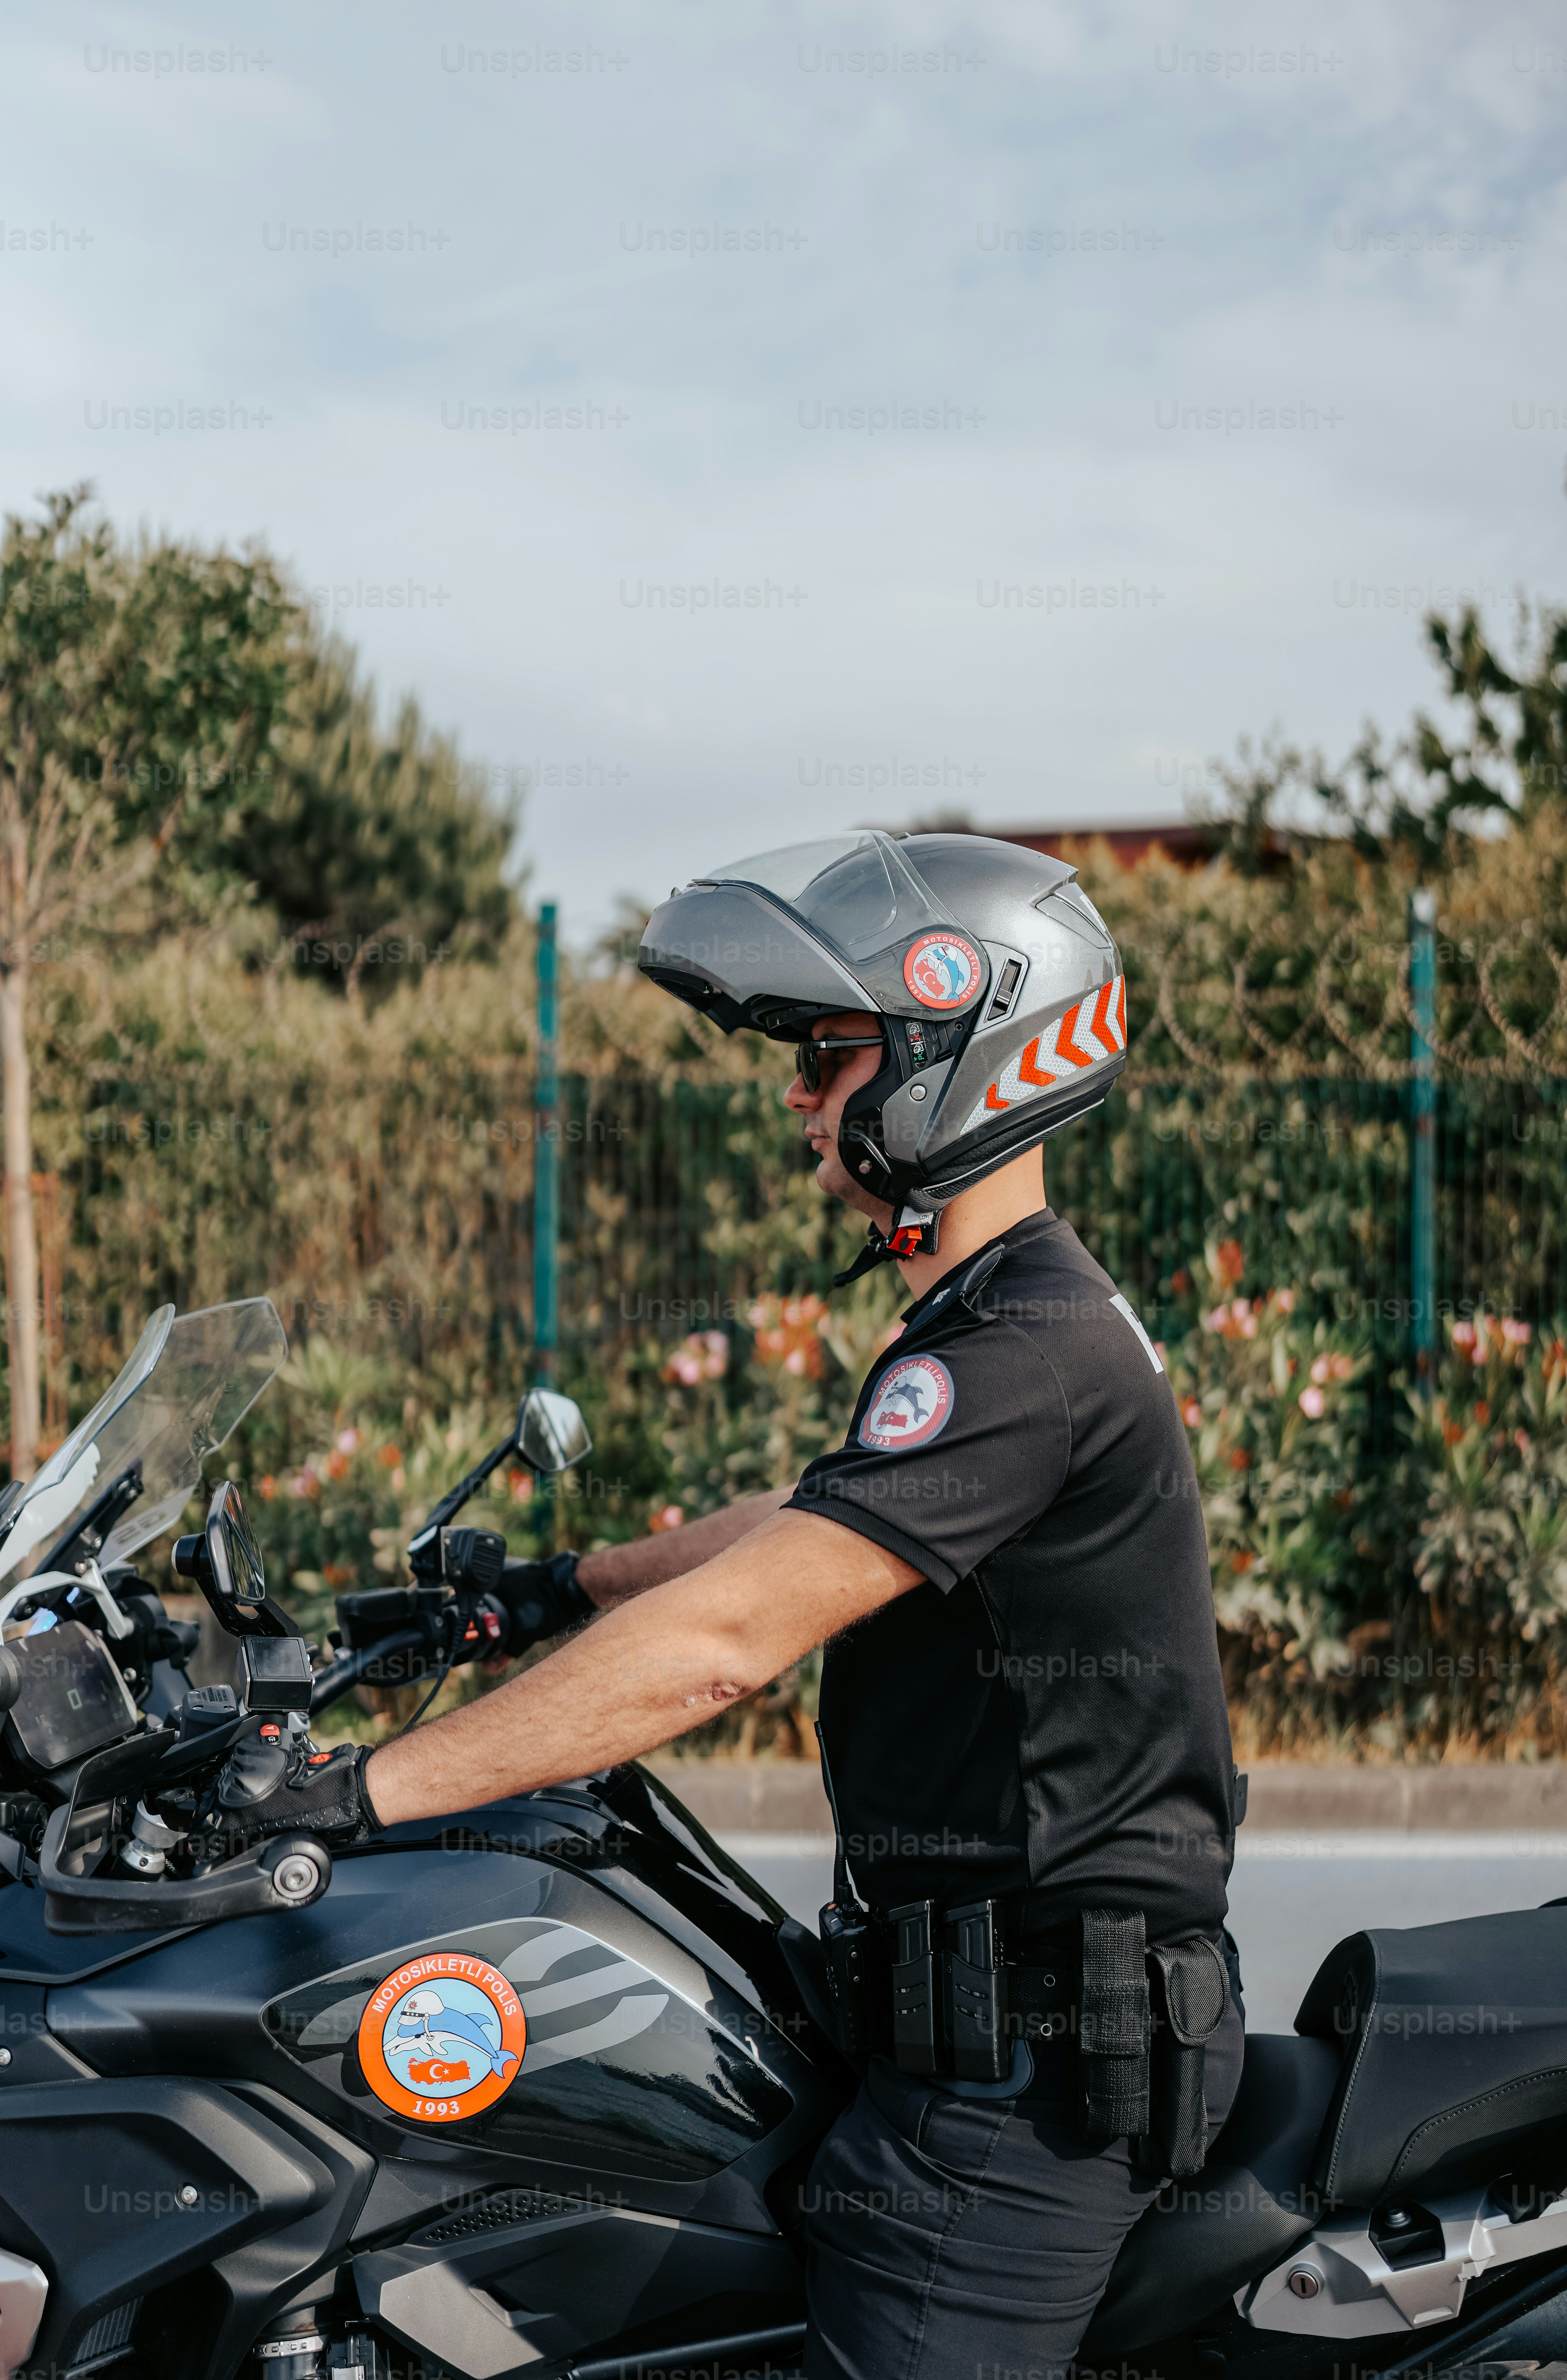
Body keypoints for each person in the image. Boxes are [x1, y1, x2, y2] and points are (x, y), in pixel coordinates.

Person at [233, 830, 1243, 2379]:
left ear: (949, 1051)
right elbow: (807, 1527)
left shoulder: (1021, 1355)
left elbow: (723, 1649)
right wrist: (544, 1590)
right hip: (946, 2041)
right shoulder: (999, 1324)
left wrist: (355, 1792)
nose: (796, 1095)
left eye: (829, 1054)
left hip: (1022, 2100)